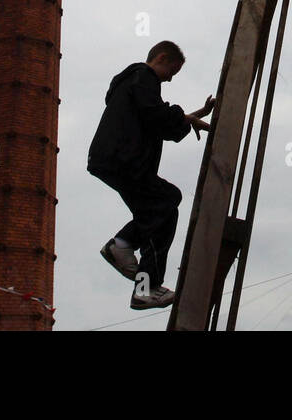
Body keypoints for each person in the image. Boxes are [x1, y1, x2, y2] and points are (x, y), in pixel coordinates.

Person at [87, 40, 213, 309]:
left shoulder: (130, 85)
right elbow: (157, 117)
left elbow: (154, 117)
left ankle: (122, 245)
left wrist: (192, 118)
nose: (169, 79)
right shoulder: (143, 77)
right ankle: (144, 283)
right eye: (172, 72)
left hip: (113, 161)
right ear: (162, 58)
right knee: (166, 203)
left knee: (156, 210)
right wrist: (183, 120)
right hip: (124, 160)